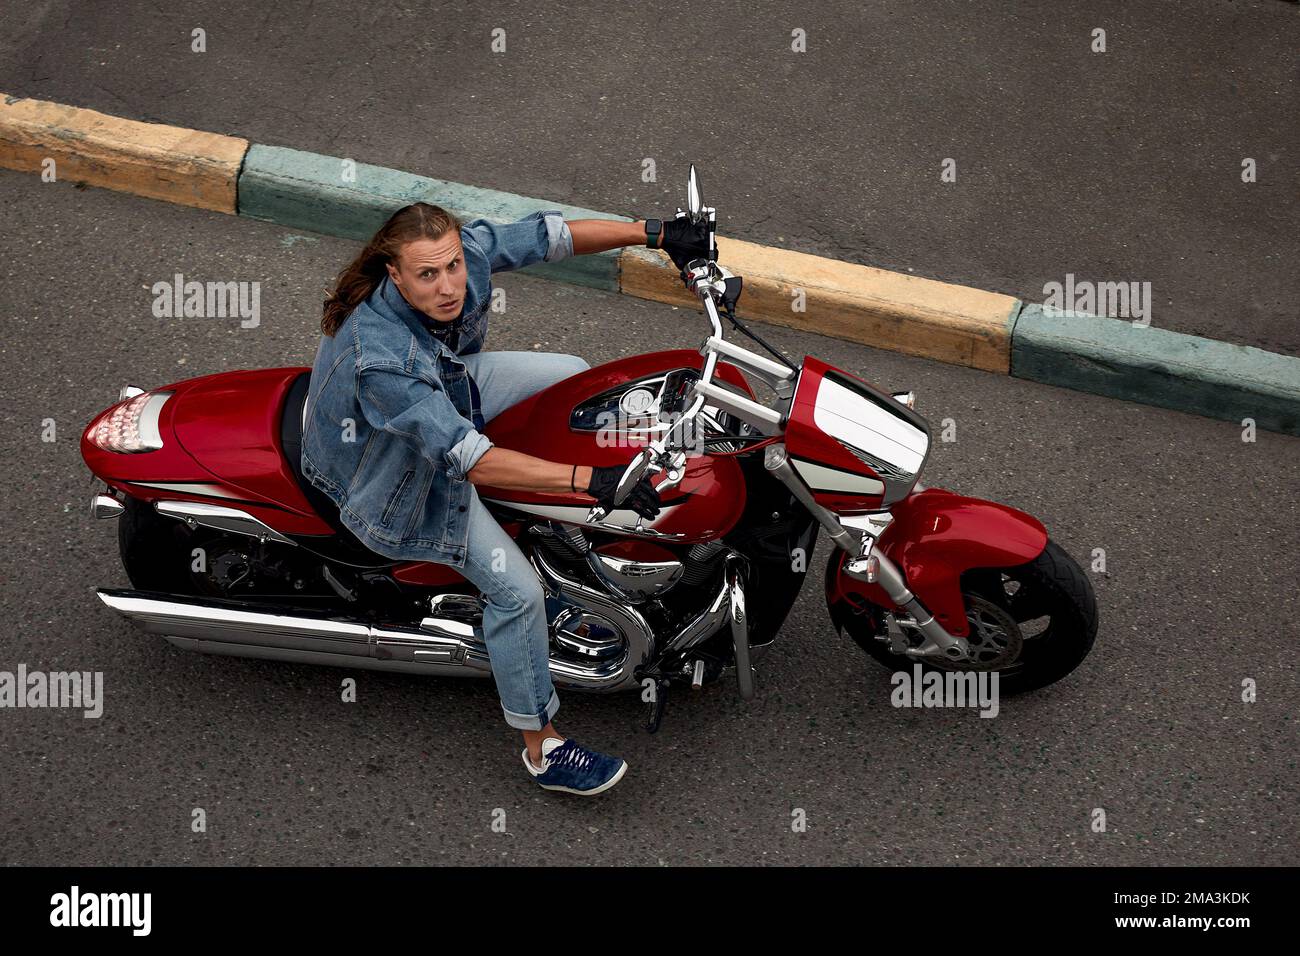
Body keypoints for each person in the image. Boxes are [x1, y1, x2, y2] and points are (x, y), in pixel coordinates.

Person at [301, 202, 710, 795]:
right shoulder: (381, 358)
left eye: (453, 268)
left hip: (446, 383)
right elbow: (471, 460)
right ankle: (542, 748)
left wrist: (658, 233)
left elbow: (553, 236)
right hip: (392, 477)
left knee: (573, 378)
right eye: (428, 276)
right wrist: (594, 483)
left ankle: (558, 535)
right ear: (395, 275)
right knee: (517, 592)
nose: (448, 288)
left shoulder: (457, 256)